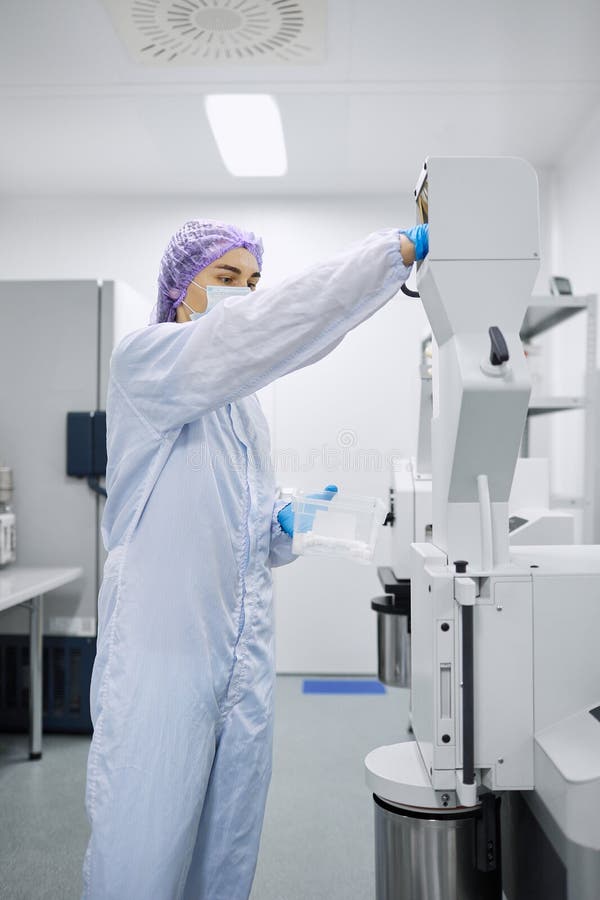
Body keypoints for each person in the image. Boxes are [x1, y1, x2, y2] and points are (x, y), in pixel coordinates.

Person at [82, 219, 429, 899]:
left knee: (226, 852)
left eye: (253, 282)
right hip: (164, 662)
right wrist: (389, 257)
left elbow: (249, 536)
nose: (244, 295)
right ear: (182, 288)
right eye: (226, 279)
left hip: (239, 668)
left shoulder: (241, 411)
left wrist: (285, 521)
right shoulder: (147, 363)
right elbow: (264, 332)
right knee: (142, 855)